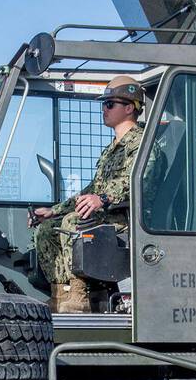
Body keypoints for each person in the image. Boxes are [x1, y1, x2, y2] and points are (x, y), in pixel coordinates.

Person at [29, 75, 147, 313]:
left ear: (129, 108)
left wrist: (103, 198)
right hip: (105, 212)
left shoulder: (142, 142)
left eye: (109, 104)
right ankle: (60, 295)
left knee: (74, 222)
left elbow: (139, 179)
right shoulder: (111, 149)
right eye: (104, 104)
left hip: (127, 216)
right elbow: (91, 189)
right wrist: (54, 210)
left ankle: (78, 295)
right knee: (47, 230)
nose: (104, 109)